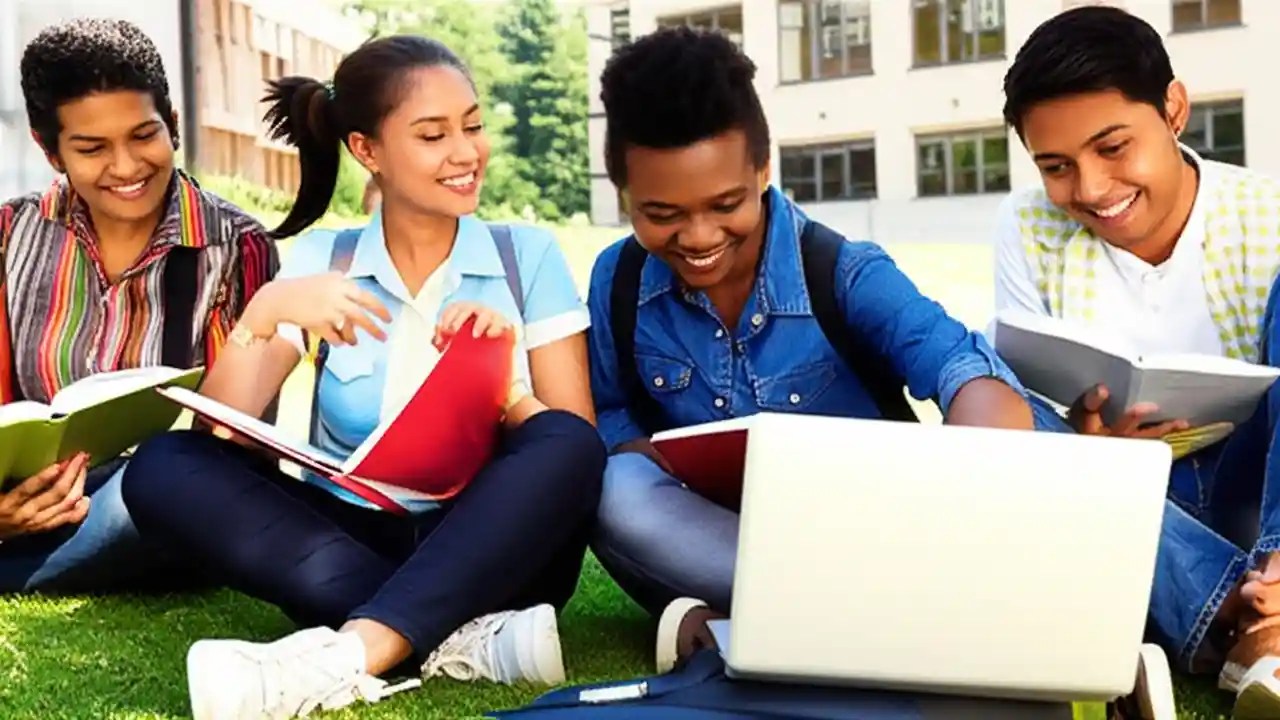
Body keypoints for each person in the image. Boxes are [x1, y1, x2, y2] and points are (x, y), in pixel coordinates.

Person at [118, 35, 603, 719]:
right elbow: (218, 431)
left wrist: (506, 392)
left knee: (571, 444)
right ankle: (458, 640)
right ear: (366, 150)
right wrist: (266, 311)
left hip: (493, 546)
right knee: (164, 464)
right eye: (433, 135)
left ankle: (345, 655)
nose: (466, 153)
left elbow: (570, 454)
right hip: (345, 540)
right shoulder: (325, 259)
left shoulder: (527, 257)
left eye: (472, 126)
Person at [586, 26, 1038, 674]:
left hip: (873, 537)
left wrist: (974, 477)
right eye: (662, 213)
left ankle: (741, 626)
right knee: (612, 484)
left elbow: (960, 365)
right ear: (624, 190)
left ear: (763, 171)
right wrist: (659, 460)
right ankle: (849, 620)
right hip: (713, 538)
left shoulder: (843, 271)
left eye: (726, 204)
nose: (698, 236)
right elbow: (609, 415)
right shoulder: (618, 280)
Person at [994, 6, 1280, 715]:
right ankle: (1249, 628)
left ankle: (1272, 585)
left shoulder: (1266, 212)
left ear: (1174, 110)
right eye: (1056, 167)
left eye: (1113, 148)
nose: (1089, 190)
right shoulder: (1029, 226)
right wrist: (1087, 450)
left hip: (1257, 493)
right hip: (1125, 499)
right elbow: (1023, 413)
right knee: (989, 397)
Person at [0, 18, 277, 594]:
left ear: (172, 125)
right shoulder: (11, 232)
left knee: (174, 494)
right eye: (92, 148)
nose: (126, 167)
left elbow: (238, 444)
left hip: (156, 499)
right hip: (26, 493)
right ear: (50, 152)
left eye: (143, 135)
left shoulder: (236, 248)